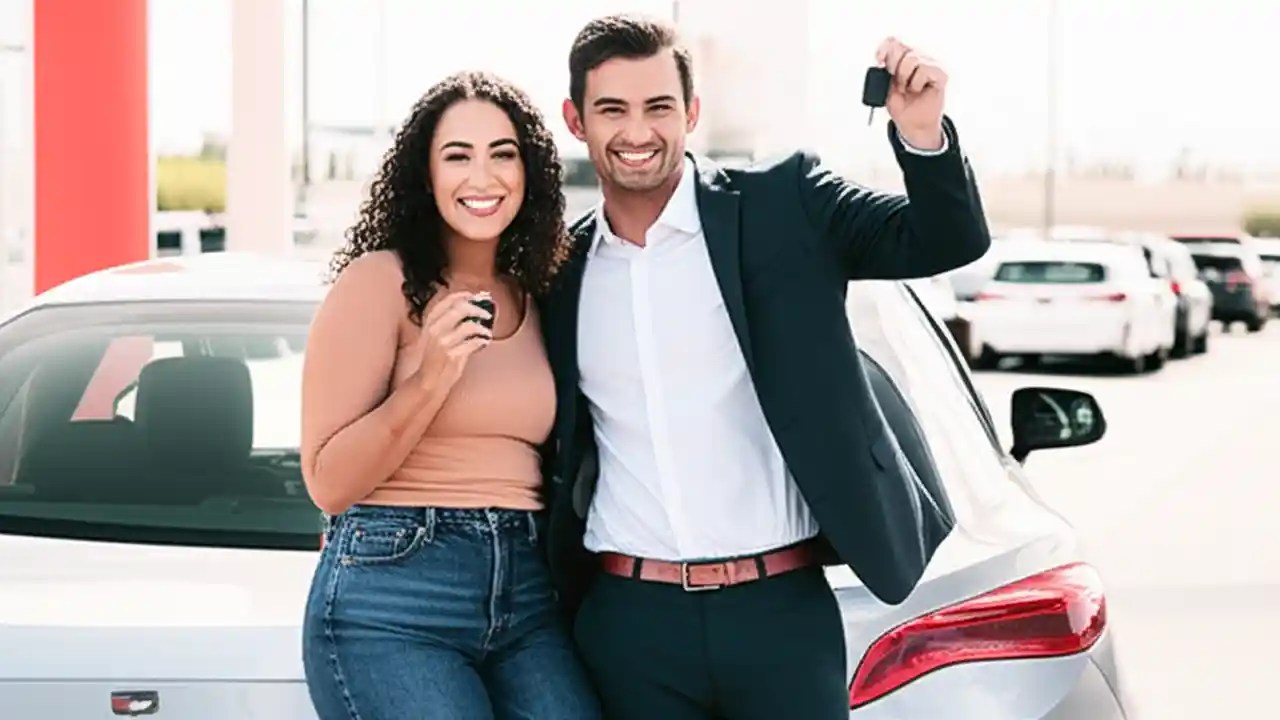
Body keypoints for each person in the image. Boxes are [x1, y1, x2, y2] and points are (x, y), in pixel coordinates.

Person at [538, 14, 992, 720]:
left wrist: (922, 135)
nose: (637, 131)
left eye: (659, 106)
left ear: (690, 112)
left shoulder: (787, 206)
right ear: (576, 119)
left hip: (780, 615)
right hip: (629, 625)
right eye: (612, 109)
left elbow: (944, 239)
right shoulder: (558, 274)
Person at [298, 70, 601, 720]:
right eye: (457, 156)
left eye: (503, 154)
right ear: (425, 176)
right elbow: (328, 482)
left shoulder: (538, 293)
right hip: (396, 591)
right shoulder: (378, 283)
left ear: (531, 172)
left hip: (526, 588)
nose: (482, 177)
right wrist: (432, 377)